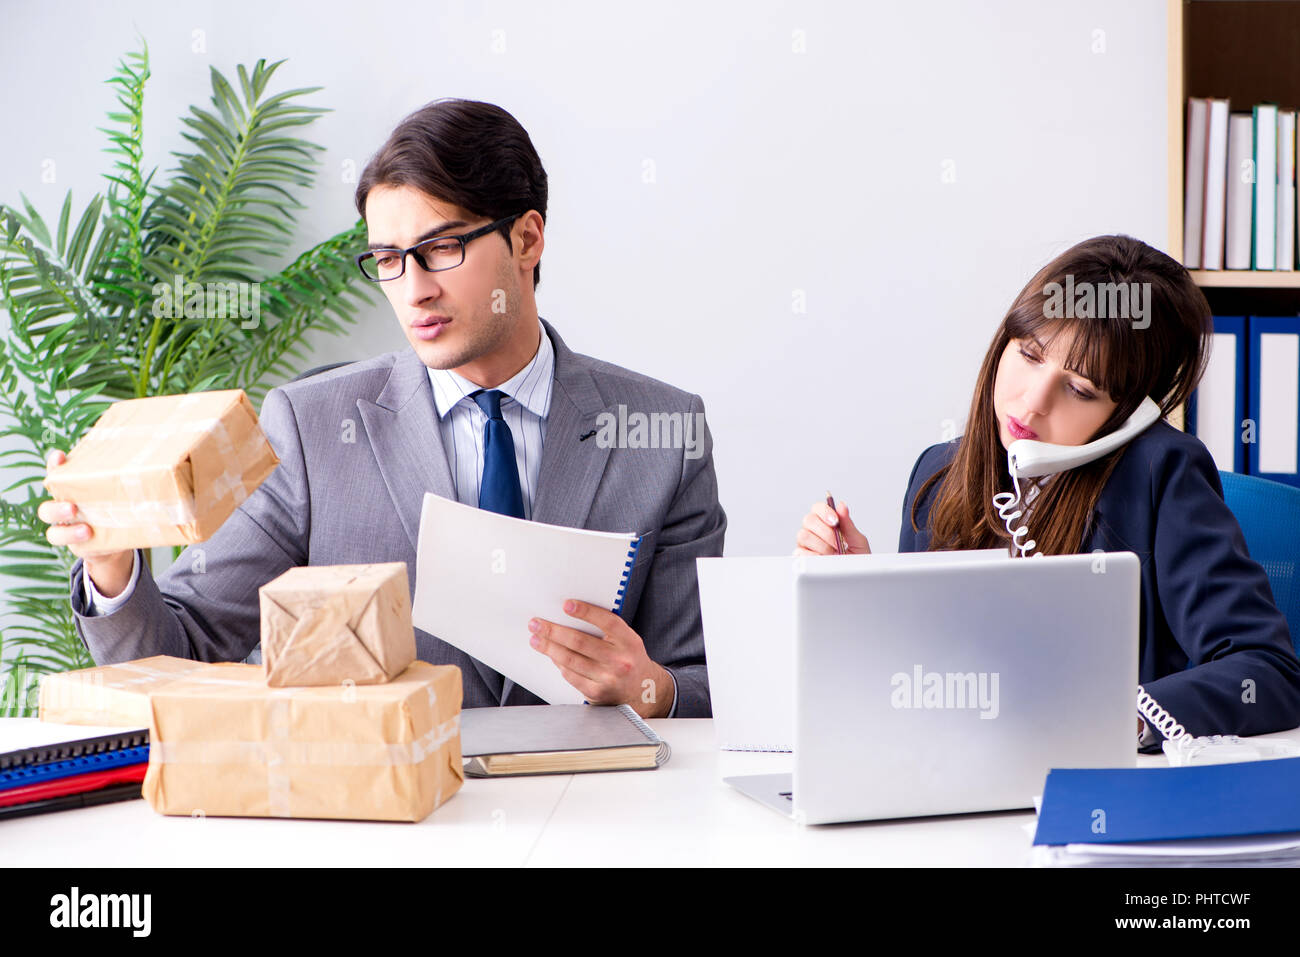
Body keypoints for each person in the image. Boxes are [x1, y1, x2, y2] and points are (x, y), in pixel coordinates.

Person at [41, 99, 726, 718]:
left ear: (527, 239)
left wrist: (649, 685)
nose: (413, 289)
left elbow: (702, 683)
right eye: (388, 260)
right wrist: (112, 569)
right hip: (392, 819)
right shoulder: (309, 428)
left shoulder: (662, 435)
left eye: (439, 248)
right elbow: (178, 652)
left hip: (599, 823)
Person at [794, 234, 1300, 748]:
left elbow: (1268, 671)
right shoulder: (939, 473)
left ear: (1130, 413)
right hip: (948, 775)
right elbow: (919, 677)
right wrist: (858, 594)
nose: (1033, 403)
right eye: (1030, 355)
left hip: (1086, 782)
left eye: (1080, 389)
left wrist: (1124, 716)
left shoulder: (1160, 471)